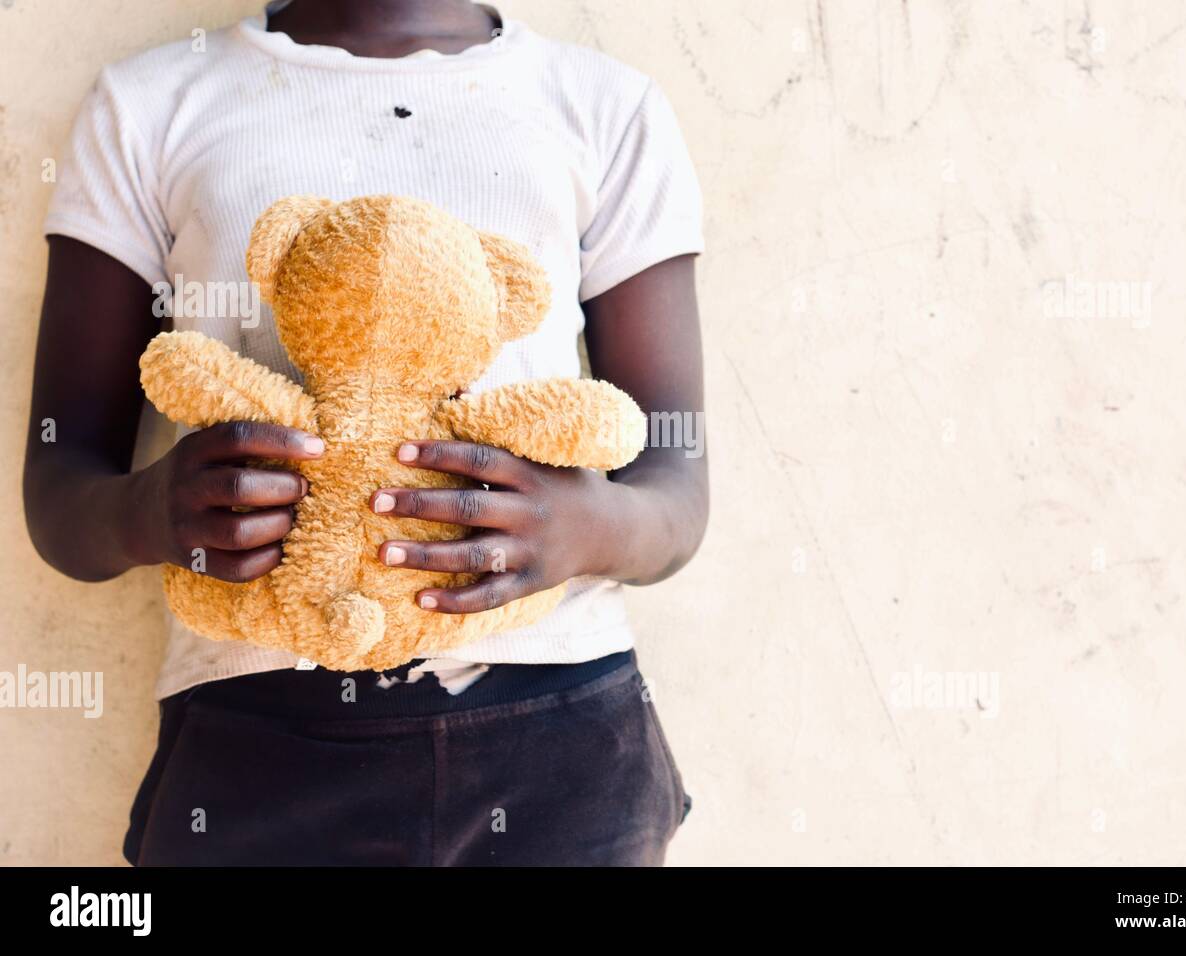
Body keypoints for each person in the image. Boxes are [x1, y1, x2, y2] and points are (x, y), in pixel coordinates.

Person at [23, 0, 707, 866]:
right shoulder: (152, 103)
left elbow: (677, 489)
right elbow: (60, 489)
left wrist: (585, 527)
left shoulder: (604, 106)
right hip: (259, 739)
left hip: (559, 735)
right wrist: (154, 510)